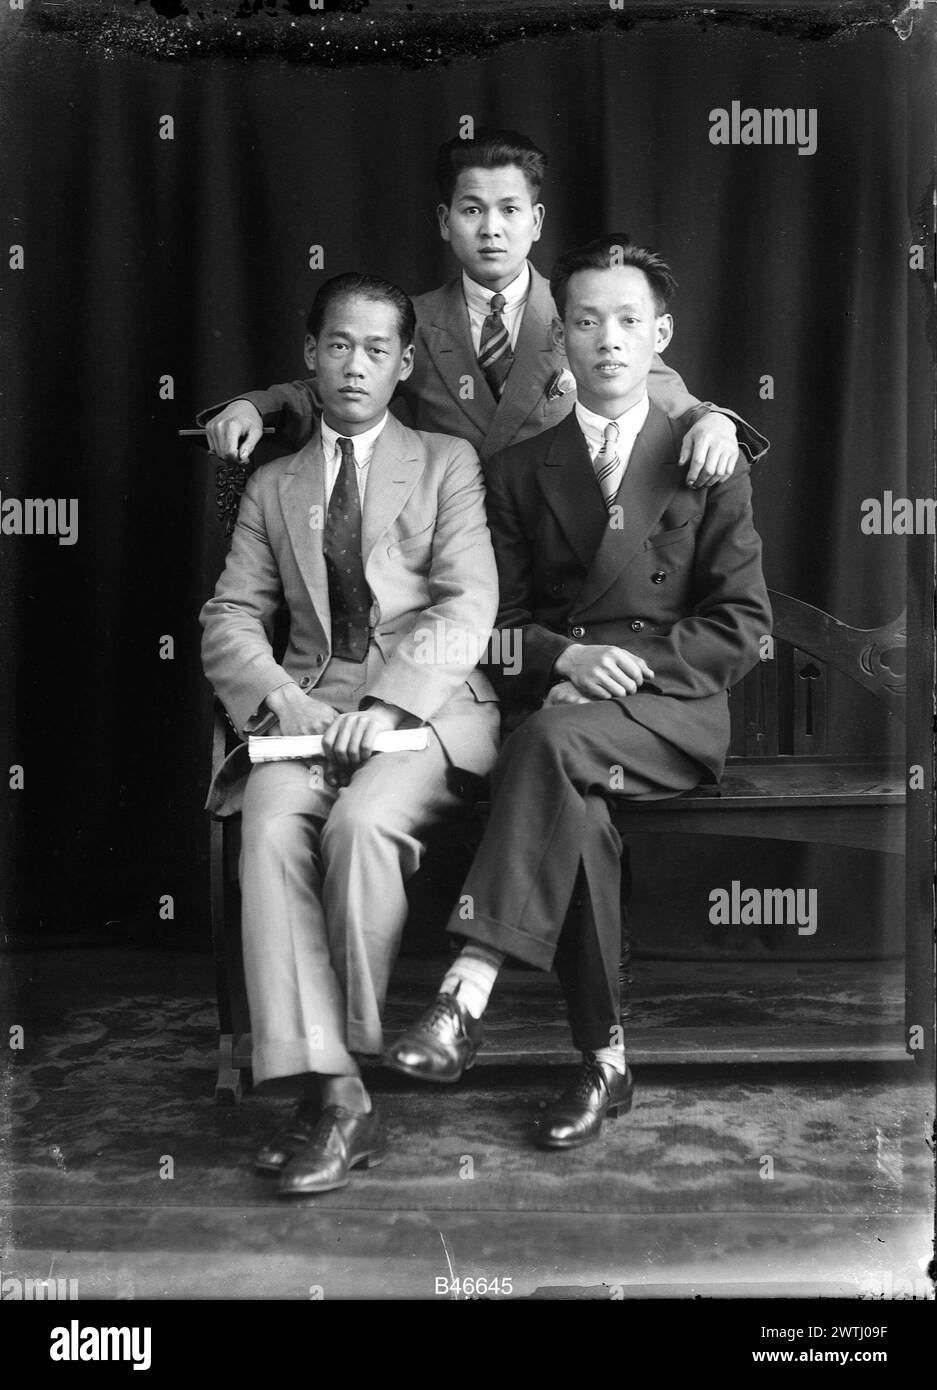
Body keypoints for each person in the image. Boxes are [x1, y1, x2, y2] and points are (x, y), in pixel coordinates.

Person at [383, 236, 772, 1150]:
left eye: (628, 321)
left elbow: (742, 625)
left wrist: (619, 671)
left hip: (667, 714)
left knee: (550, 746)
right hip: (563, 717)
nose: (606, 340)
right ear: (559, 339)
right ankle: (605, 1060)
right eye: (586, 321)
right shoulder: (520, 470)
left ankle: (464, 991)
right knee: (573, 801)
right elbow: (495, 625)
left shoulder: (706, 457)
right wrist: (562, 660)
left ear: (659, 336)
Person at [200, 272, 500, 1194]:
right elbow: (228, 615)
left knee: (362, 826)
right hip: (307, 709)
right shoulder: (274, 484)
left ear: (404, 363)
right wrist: (282, 700)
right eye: (338, 345)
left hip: (427, 710)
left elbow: (469, 599)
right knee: (270, 823)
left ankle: (337, 1084)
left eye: (376, 350)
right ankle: (339, 1093)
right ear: (309, 355)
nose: (355, 365)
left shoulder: (446, 461)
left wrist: (394, 704)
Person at [199, 129, 767, 486]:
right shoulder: (412, 320)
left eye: (510, 210)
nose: (491, 229)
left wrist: (713, 420)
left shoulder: (582, 317)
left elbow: (669, 394)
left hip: (559, 548)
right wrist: (253, 406)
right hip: (445, 552)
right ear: (446, 222)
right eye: (472, 210)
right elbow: (331, 385)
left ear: (536, 222)